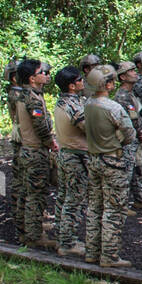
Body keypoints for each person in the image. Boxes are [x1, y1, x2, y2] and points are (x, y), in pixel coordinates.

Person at [83, 66, 136, 269]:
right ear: (107, 84)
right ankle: (109, 255)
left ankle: (92, 251)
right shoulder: (113, 108)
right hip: (112, 161)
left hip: (94, 159)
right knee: (114, 210)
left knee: (95, 207)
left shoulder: (88, 104)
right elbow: (129, 134)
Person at [15, 58, 59, 249]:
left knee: (27, 192)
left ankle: (25, 230)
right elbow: (40, 126)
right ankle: (34, 236)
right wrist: (51, 143)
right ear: (33, 78)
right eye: (43, 72)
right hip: (35, 152)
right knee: (36, 194)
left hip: (27, 150)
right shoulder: (32, 99)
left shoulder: (24, 95)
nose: (46, 75)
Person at [52, 66, 89, 257]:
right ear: (72, 85)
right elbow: (87, 127)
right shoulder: (74, 105)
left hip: (65, 154)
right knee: (74, 200)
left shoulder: (62, 102)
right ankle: (67, 243)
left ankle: (60, 234)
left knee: (64, 197)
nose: (83, 81)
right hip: (75, 156)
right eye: (80, 79)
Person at [112, 60, 142, 208]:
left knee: (138, 169)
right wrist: (141, 131)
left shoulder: (132, 93)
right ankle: (121, 205)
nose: (135, 73)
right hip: (128, 139)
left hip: (136, 137)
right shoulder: (122, 96)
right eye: (131, 71)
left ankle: (140, 198)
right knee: (127, 172)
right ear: (122, 77)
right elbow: (131, 119)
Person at [5, 59, 26, 234]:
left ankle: (26, 219)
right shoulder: (17, 95)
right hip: (23, 140)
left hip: (22, 138)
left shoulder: (18, 93)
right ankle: (22, 221)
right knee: (22, 182)